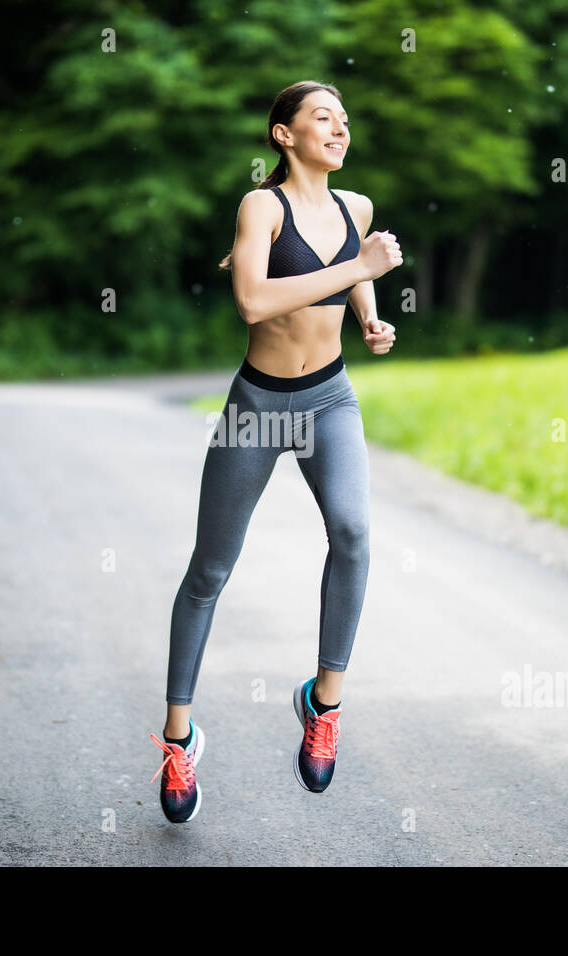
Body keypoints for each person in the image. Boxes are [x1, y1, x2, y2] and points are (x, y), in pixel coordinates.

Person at [149, 80, 402, 823]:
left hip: (329, 399)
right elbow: (255, 302)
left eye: (346, 119)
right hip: (259, 406)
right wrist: (361, 273)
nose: (339, 127)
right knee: (210, 569)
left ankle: (323, 701)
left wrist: (371, 317)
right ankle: (177, 736)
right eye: (322, 117)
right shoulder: (261, 206)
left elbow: (353, 275)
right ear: (283, 135)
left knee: (354, 535)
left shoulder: (357, 209)